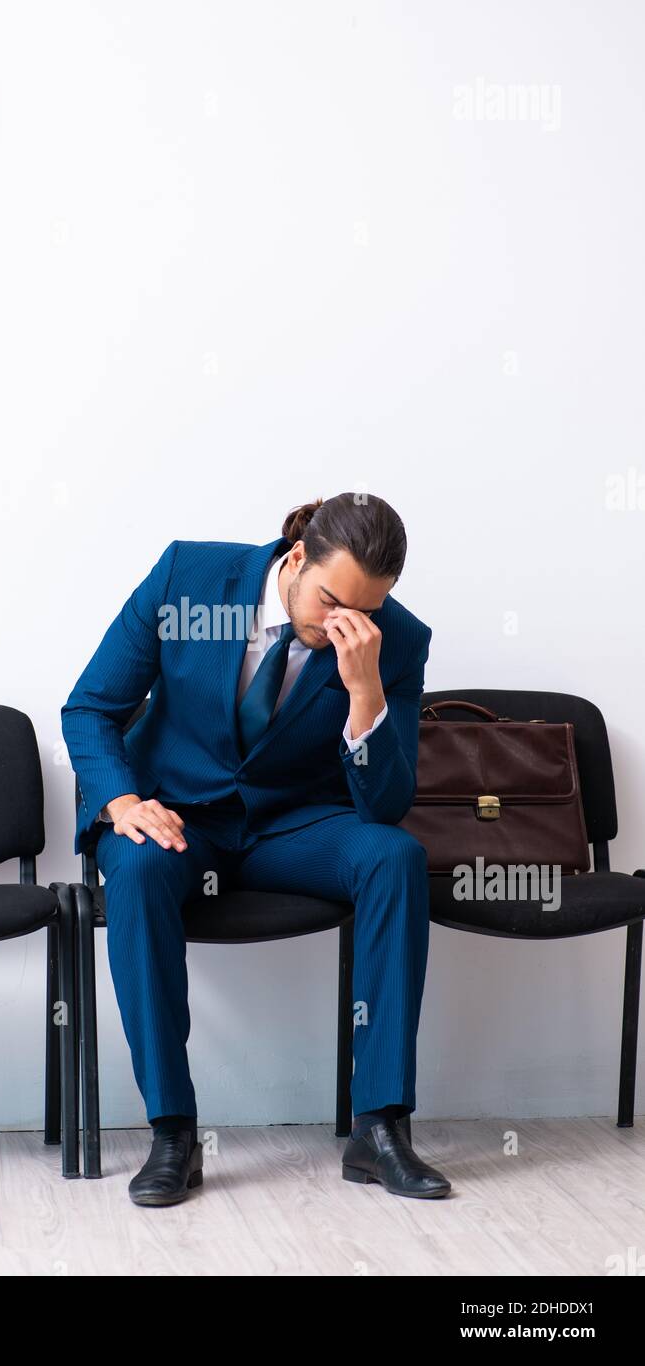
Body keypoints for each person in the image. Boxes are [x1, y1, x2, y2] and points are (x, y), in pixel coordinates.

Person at [61, 492, 451, 1205]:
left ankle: (379, 1128)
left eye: (364, 611)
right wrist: (123, 803)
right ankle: (172, 1132)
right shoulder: (188, 578)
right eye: (332, 600)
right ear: (297, 559)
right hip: (176, 817)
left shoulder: (395, 641)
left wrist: (364, 692)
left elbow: (384, 805)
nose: (344, 622)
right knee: (139, 869)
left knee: (393, 857)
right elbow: (91, 707)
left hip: (291, 827)